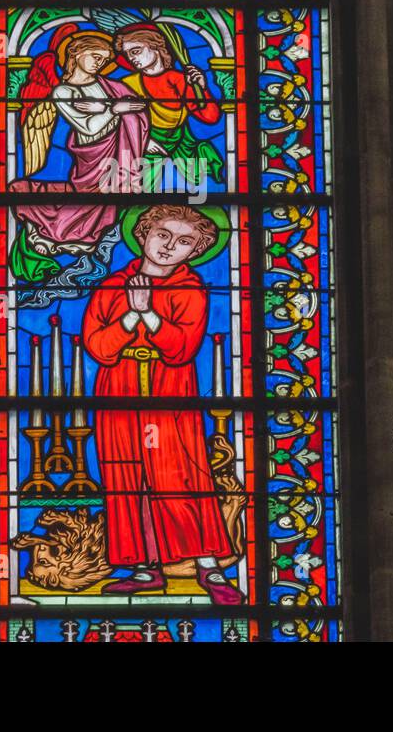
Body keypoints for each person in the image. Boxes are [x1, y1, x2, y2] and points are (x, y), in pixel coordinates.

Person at [80, 205, 242, 605]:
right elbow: (97, 347)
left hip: (170, 391)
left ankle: (209, 566)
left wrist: (147, 312)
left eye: (185, 241)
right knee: (126, 478)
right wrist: (128, 318)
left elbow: (182, 348)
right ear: (143, 235)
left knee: (181, 476)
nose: (170, 246)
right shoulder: (111, 286)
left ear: (197, 250)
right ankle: (143, 567)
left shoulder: (192, 289)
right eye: (163, 235)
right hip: (116, 392)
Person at [10, 30, 150, 281]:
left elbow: (136, 116)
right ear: (75, 54)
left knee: (103, 206)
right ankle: (51, 234)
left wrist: (146, 142)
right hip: (90, 159)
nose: (100, 63)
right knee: (79, 206)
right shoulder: (64, 92)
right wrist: (114, 109)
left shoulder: (113, 86)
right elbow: (89, 127)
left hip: (118, 158)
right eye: (95, 56)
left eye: (104, 60)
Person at [114, 24, 224, 189]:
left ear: (156, 47)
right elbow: (116, 124)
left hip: (181, 142)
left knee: (200, 189)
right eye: (127, 54)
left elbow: (210, 117)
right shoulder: (128, 84)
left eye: (135, 51)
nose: (131, 58)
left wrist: (202, 88)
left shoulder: (180, 79)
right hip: (142, 147)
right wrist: (144, 141)